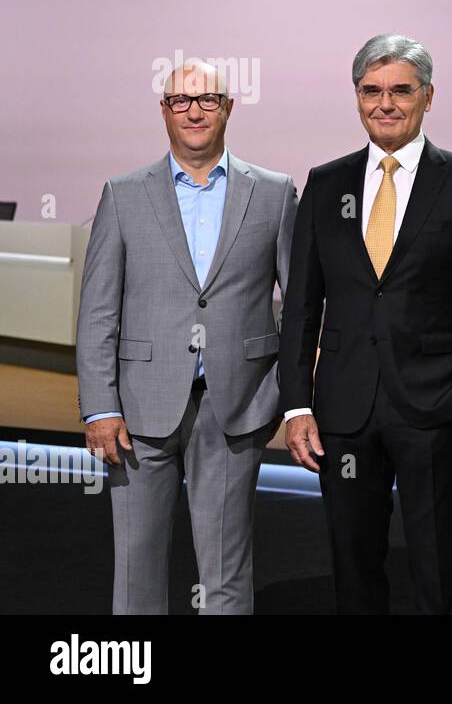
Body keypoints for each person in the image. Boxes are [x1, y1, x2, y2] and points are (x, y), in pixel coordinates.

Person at [76, 59, 296, 614]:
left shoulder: (273, 192)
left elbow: (297, 309)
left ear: (228, 107)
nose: (193, 111)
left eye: (206, 100)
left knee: (226, 571)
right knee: (137, 569)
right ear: (165, 110)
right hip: (137, 411)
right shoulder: (123, 194)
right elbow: (99, 310)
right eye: (180, 101)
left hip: (236, 410)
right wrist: (99, 406)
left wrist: (281, 398)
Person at [278, 33, 452, 614]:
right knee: (352, 562)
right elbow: (301, 305)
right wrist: (296, 405)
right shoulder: (326, 182)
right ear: (357, 97)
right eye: (371, 91)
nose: (385, 103)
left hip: (433, 407)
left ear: (428, 96)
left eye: (401, 90)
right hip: (343, 409)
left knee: (436, 563)